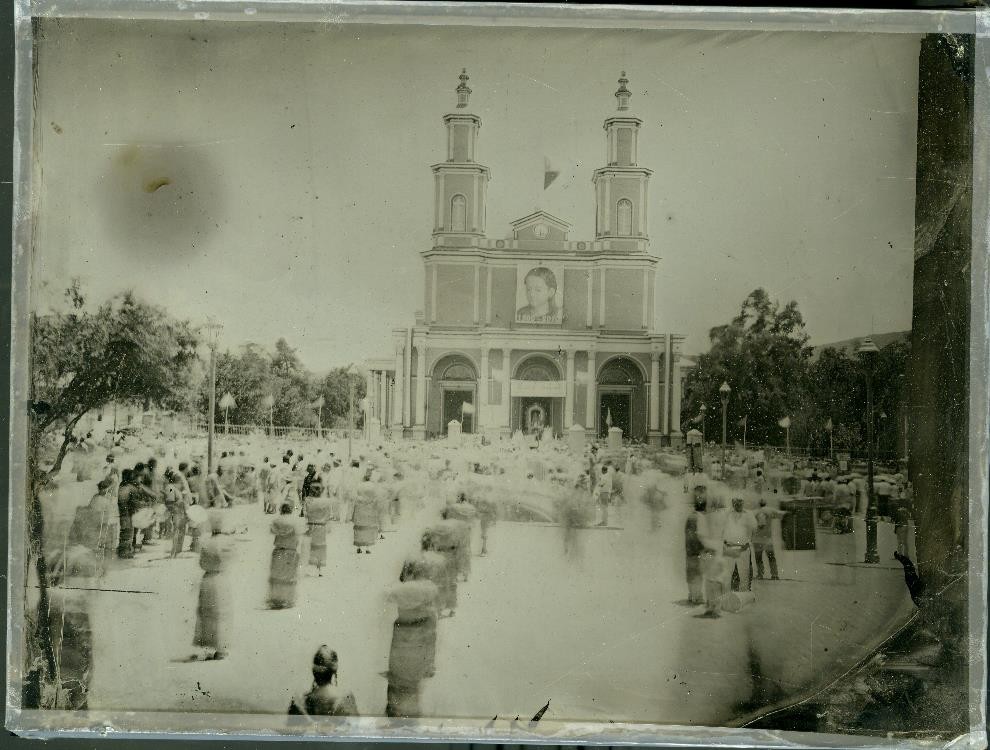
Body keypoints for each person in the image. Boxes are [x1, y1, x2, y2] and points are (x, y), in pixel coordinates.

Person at [383, 560, 441, 718]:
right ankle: (410, 714)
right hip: (418, 644)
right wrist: (430, 663)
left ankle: (393, 711)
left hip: (400, 640)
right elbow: (432, 636)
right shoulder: (428, 592)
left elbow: (388, 595)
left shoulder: (399, 592)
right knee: (412, 683)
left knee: (397, 679)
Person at [47, 546, 99, 709]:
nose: (91, 582)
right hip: (65, 676)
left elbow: (86, 644)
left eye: (91, 574)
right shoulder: (62, 602)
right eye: (83, 574)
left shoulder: (77, 604)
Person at [192, 512, 234, 660]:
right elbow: (231, 558)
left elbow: (201, 562)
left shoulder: (205, 542)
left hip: (207, 579)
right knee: (221, 613)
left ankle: (208, 642)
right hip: (220, 578)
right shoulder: (227, 542)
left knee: (207, 613)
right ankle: (221, 649)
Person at [288, 646, 358, 718]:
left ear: (314, 671)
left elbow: (291, 726)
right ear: (334, 670)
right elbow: (355, 727)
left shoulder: (299, 701)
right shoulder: (346, 697)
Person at [268, 503, 307, 608]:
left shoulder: (276, 521)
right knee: (289, 576)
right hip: (291, 551)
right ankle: (288, 599)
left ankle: (277, 598)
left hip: (278, 551)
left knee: (277, 576)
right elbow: (300, 533)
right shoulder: (295, 521)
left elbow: (272, 531)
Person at [723, 497, 758, 592]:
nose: (738, 504)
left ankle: (744, 597)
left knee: (744, 575)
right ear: (732, 503)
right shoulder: (727, 514)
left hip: (743, 549)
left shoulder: (749, 514)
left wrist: (748, 541)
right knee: (726, 575)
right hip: (729, 548)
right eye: (736, 502)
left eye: (740, 501)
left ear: (743, 502)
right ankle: (726, 598)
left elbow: (755, 529)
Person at [304, 477, 332, 576]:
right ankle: (320, 568)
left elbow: (306, 513)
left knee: (311, 546)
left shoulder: (308, 500)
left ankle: (311, 567)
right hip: (322, 526)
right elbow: (328, 515)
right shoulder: (326, 501)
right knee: (321, 546)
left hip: (311, 525)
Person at [349, 473, 383, 554]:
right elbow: (377, 497)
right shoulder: (373, 486)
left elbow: (353, 496)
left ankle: (359, 547)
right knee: (368, 527)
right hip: (369, 508)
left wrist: (360, 500)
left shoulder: (359, 485)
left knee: (359, 527)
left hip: (360, 507)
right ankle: (367, 548)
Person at [684, 497, 706, 605]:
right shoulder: (700, 518)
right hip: (697, 550)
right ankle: (697, 596)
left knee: (691, 572)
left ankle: (691, 594)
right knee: (698, 573)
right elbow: (701, 536)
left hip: (689, 549)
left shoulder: (690, 517)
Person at [752, 498, 781, 581]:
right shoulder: (771, 510)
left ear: (759, 504)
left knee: (758, 558)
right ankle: (775, 575)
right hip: (768, 539)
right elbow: (780, 514)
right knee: (771, 557)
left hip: (757, 539)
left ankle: (760, 574)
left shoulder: (755, 512)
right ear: (766, 504)